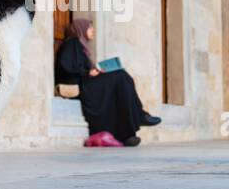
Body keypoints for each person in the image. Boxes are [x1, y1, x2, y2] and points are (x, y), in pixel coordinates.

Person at [54, 18, 160, 146]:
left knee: (121, 81)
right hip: (82, 85)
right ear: (80, 29)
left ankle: (128, 135)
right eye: (90, 28)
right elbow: (65, 65)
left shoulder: (82, 47)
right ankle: (140, 116)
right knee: (120, 76)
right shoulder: (73, 42)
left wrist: (95, 70)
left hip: (87, 82)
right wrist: (87, 72)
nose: (93, 30)